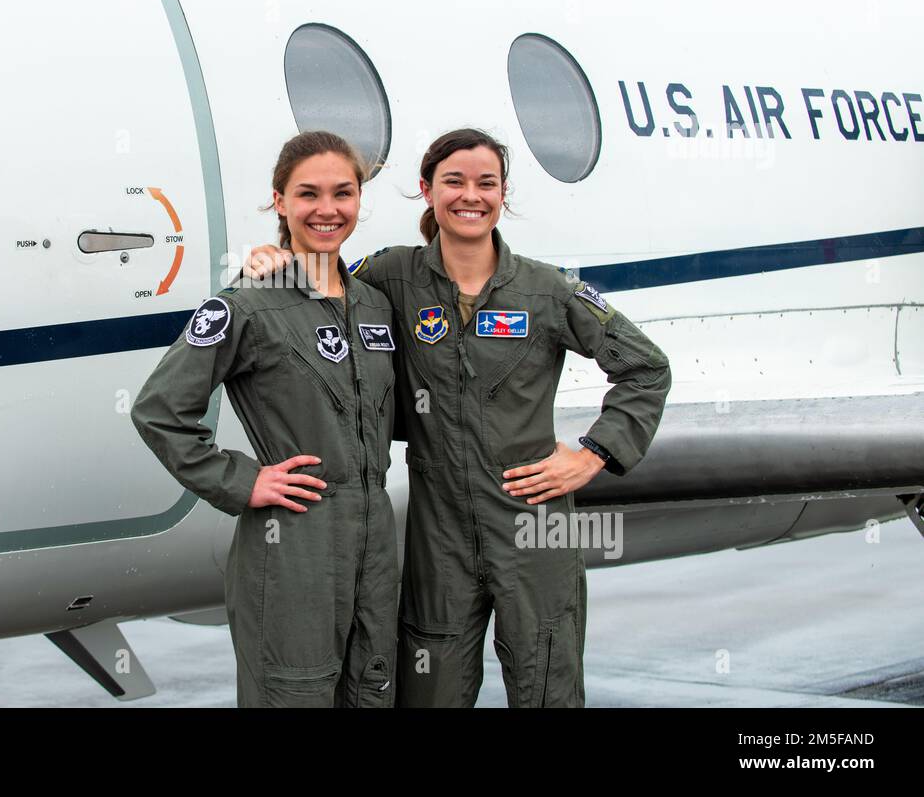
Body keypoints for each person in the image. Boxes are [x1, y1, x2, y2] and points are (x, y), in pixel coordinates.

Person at [243, 128, 672, 707]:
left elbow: (645, 367)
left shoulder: (548, 291)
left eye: (486, 183)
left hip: (534, 523)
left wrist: (592, 455)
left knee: (546, 682)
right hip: (437, 530)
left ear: (502, 194)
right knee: (429, 687)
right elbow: (326, 289)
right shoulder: (391, 276)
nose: (470, 196)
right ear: (427, 190)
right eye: (454, 182)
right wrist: (281, 262)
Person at [131, 130, 400, 708]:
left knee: (372, 690)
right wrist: (242, 479)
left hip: (375, 544)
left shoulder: (376, 304)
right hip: (295, 543)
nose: (327, 210)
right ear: (279, 201)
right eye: (308, 194)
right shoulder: (247, 305)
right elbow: (159, 409)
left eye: (342, 193)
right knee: (293, 694)